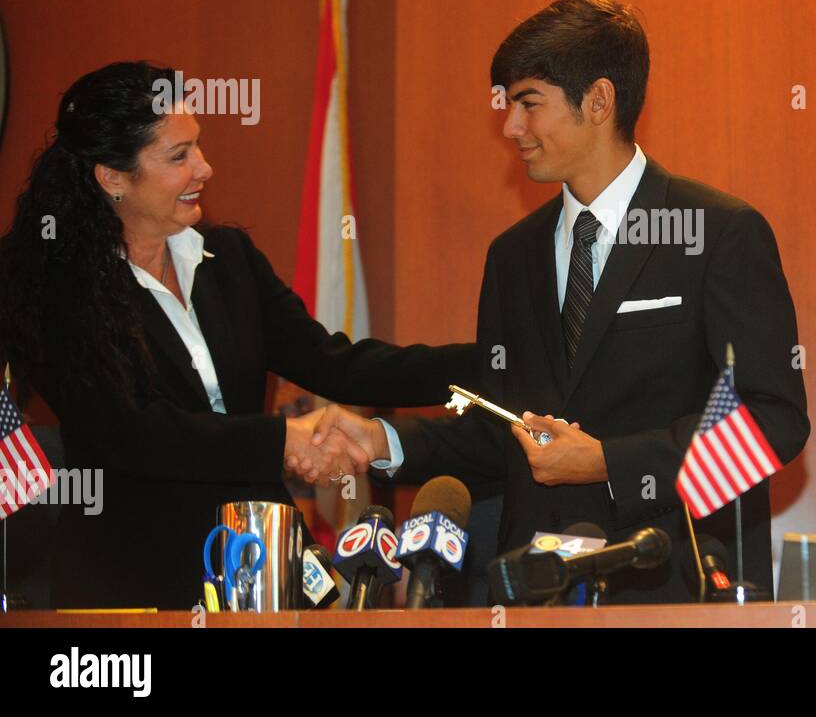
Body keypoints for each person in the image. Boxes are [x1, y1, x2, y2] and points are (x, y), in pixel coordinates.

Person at [307, 0, 810, 602]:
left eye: (528, 103)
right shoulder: (512, 255)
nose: (510, 127)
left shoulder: (719, 232)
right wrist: (384, 442)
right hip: (532, 595)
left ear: (599, 100)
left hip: (675, 591)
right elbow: (505, 429)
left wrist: (608, 461)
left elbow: (771, 422)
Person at [0, 62, 476, 609]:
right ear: (112, 177)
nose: (204, 167)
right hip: (136, 587)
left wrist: (487, 365)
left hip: (264, 567)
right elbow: (133, 433)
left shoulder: (229, 259)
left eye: (198, 146)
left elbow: (336, 364)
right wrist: (282, 439)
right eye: (178, 157)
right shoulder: (54, 285)